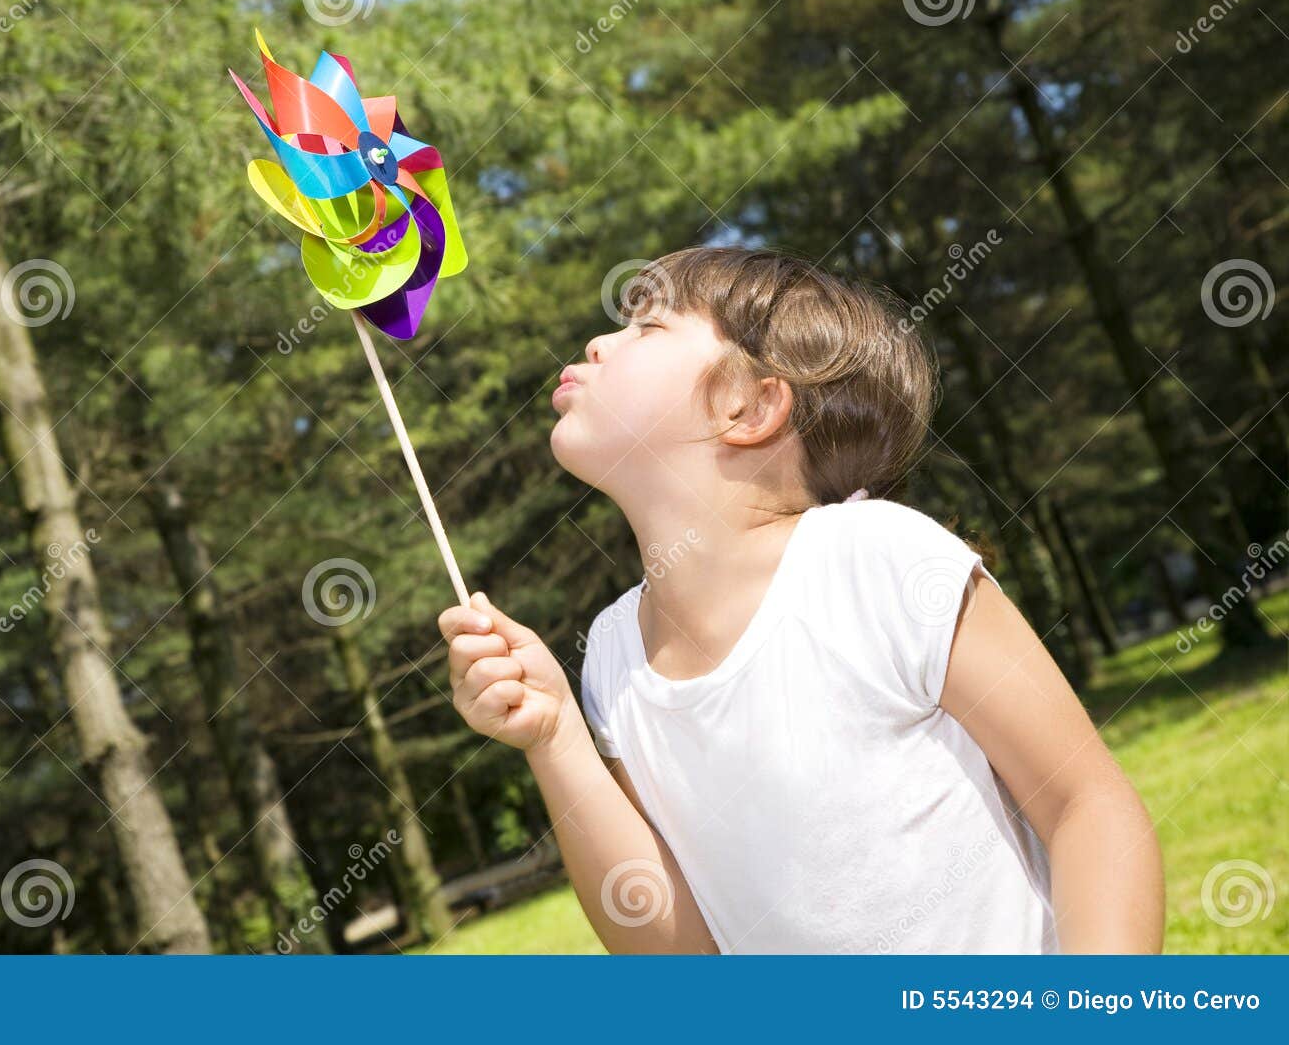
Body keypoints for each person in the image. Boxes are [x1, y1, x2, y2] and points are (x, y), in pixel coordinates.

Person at [437, 247, 1163, 954]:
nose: (598, 342)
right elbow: (679, 955)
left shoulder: (877, 559)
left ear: (749, 406)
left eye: (647, 326)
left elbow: (1086, 806)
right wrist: (556, 734)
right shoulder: (614, 652)